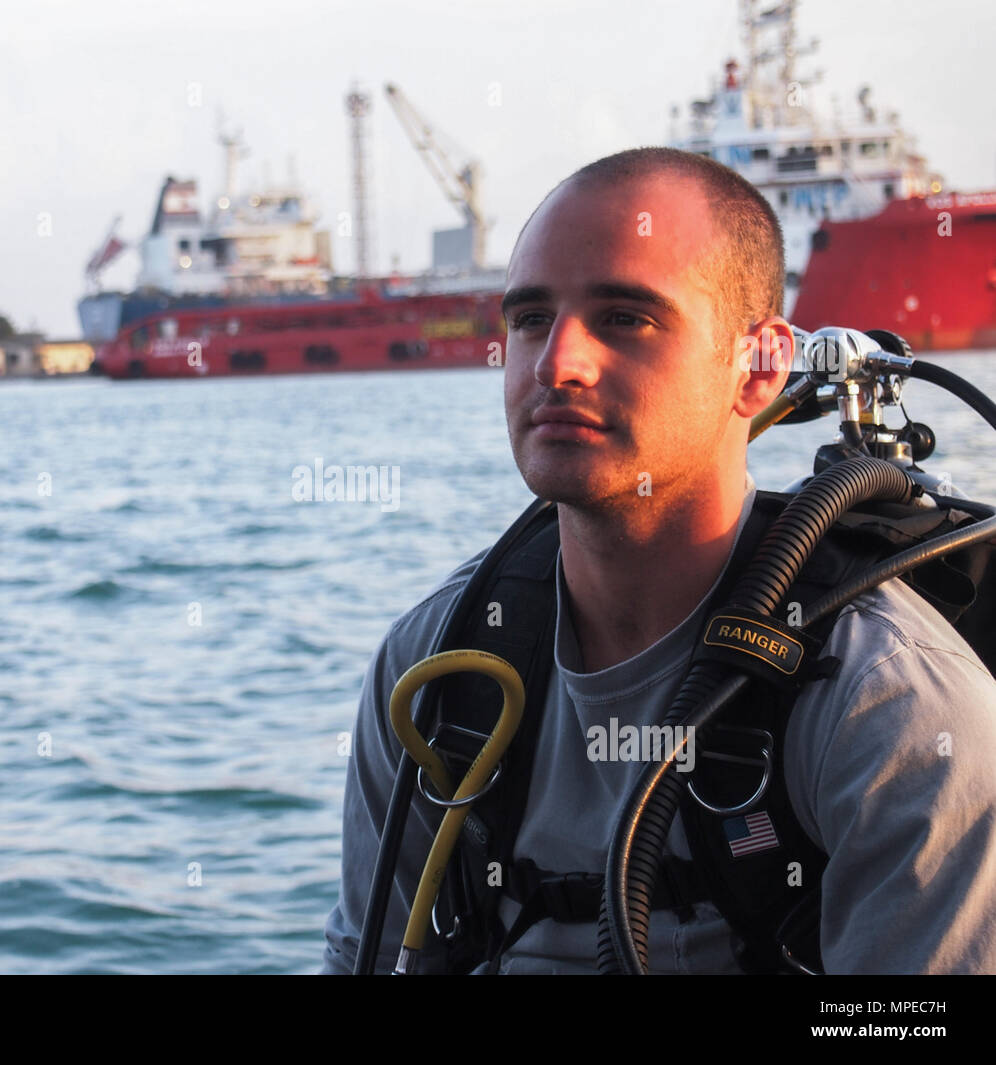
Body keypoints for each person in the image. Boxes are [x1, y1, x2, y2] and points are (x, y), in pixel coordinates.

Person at [321, 146, 996, 974]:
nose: (555, 362)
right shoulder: (437, 666)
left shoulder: (889, 705)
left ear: (759, 368)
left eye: (624, 318)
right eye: (530, 319)